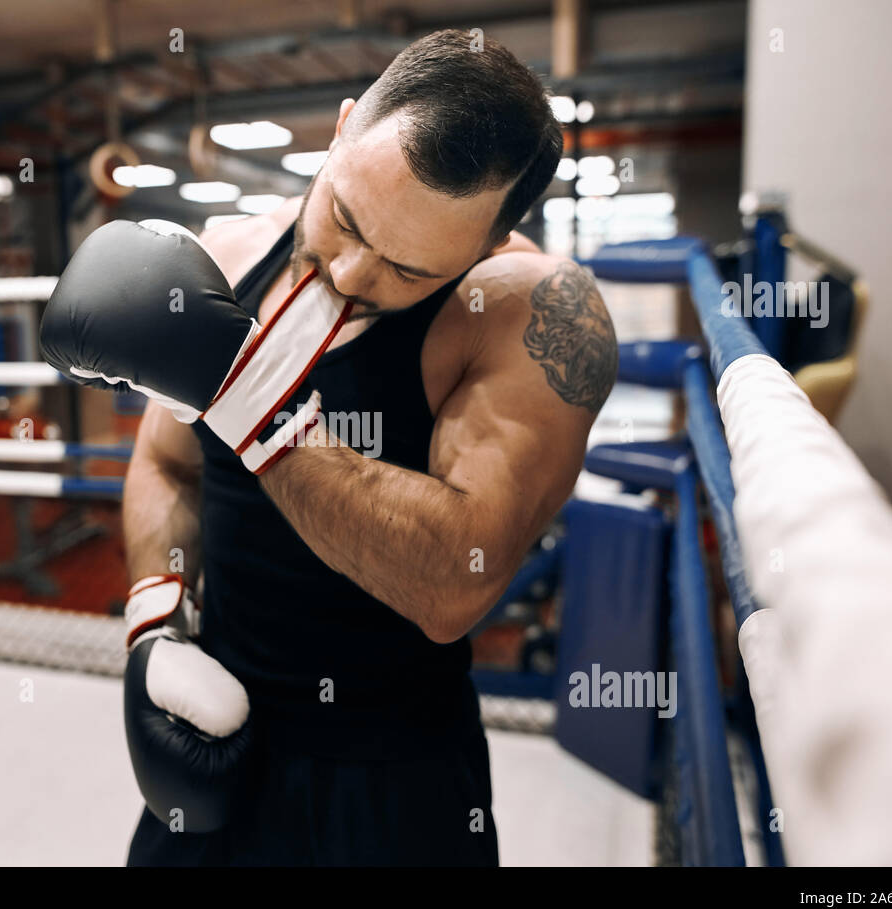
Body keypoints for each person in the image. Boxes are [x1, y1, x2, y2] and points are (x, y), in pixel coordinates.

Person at [48, 28, 617, 865]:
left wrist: (246, 403)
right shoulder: (233, 256)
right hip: (217, 718)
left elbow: (454, 581)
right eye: (344, 217)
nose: (351, 273)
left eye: (409, 268)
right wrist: (155, 623)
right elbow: (169, 464)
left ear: (487, 245)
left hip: (395, 777)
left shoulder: (526, 309)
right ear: (343, 126)